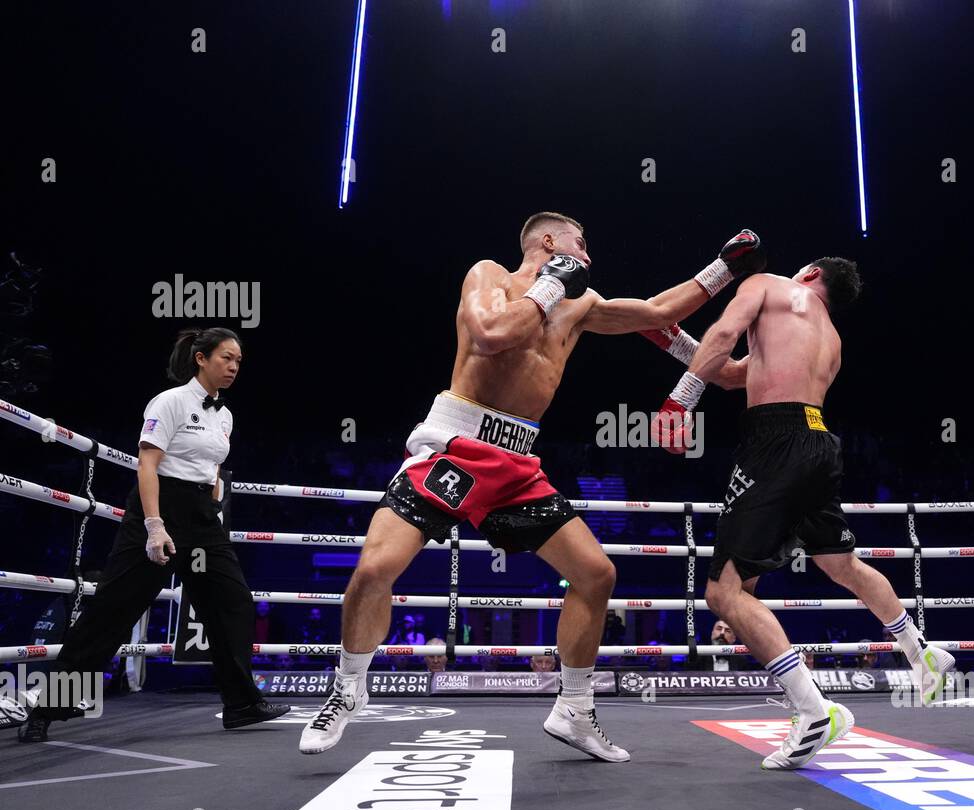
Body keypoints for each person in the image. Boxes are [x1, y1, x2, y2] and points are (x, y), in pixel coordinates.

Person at [299, 213, 761, 759]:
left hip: (517, 460)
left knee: (596, 574)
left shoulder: (581, 307)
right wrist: (549, 282)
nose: (590, 252)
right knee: (376, 569)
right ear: (548, 242)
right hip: (455, 444)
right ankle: (349, 689)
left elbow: (659, 312)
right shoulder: (489, 275)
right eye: (580, 242)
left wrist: (723, 268)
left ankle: (574, 709)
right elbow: (493, 335)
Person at [659, 257, 954, 770]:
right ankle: (919, 650)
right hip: (819, 441)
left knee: (723, 592)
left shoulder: (765, 284)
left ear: (812, 272)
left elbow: (726, 333)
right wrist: (670, 341)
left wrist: (679, 400)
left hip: (775, 442)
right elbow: (738, 375)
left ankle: (814, 710)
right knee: (840, 563)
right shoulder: (831, 338)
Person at [19, 328, 289, 742]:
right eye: (226, 358)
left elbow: (212, 466)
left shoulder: (224, 415)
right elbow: (148, 465)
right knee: (113, 609)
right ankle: (47, 711)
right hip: (160, 507)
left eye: (238, 361)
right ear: (201, 358)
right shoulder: (170, 401)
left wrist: (213, 501)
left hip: (202, 517)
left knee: (232, 601)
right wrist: (154, 525)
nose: (234, 366)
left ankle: (241, 704)